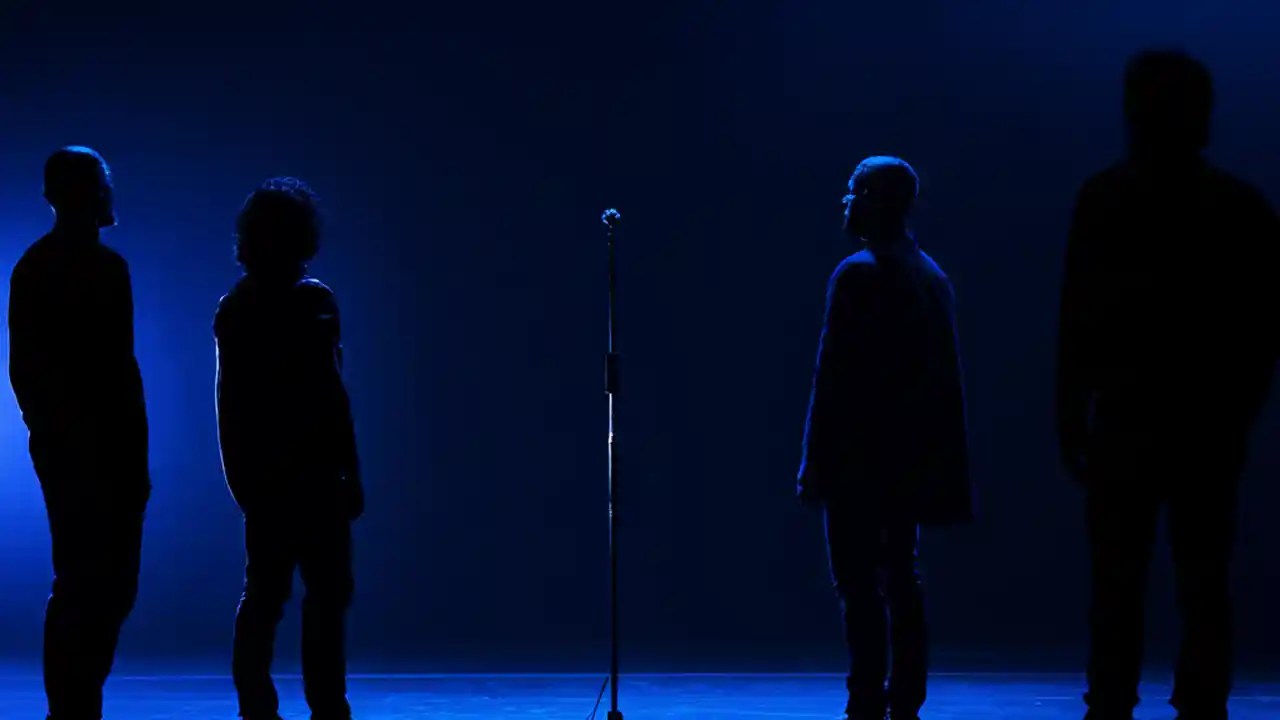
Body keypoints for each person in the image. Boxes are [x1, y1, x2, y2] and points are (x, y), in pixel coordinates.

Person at [1058, 49, 1280, 720]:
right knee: (1203, 580)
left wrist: (1070, 415)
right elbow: (1263, 329)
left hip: (1125, 419)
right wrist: (1238, 412)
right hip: (1205, 425)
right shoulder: (1240, 206)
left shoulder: (1103, 198)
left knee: (1118, 583)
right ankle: (1200, 700)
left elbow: (1078, 317)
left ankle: (1114, 700)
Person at [797, 156, 972, 720]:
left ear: (873, 197)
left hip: (858, 462)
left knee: (858, 584)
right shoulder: (932, 275)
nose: (844, 201)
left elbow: (834, 379)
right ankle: (905, 698)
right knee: (900, 577)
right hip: (910, 460)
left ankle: (867, 698)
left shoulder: (857, 273)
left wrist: (815, 463)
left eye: (852, 190)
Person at [8, 146, 150, 720]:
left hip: (86, 448)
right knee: (94, 581)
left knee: (94, 581)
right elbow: (110, 369)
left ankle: (74, 701)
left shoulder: (46, 267)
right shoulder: (88, 268)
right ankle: (74, 704)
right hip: (89, 449)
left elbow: (36, 371)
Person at [215, 177, 363, 720]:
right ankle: (323, 706)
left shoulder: (245, 306)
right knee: (314, 597)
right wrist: (350, 472)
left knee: (271, 597)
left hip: (281, 478)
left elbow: (232, 405)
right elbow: (331, 396)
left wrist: (244, 482)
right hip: (305, 476)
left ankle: (264, 707)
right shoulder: (304, 302)